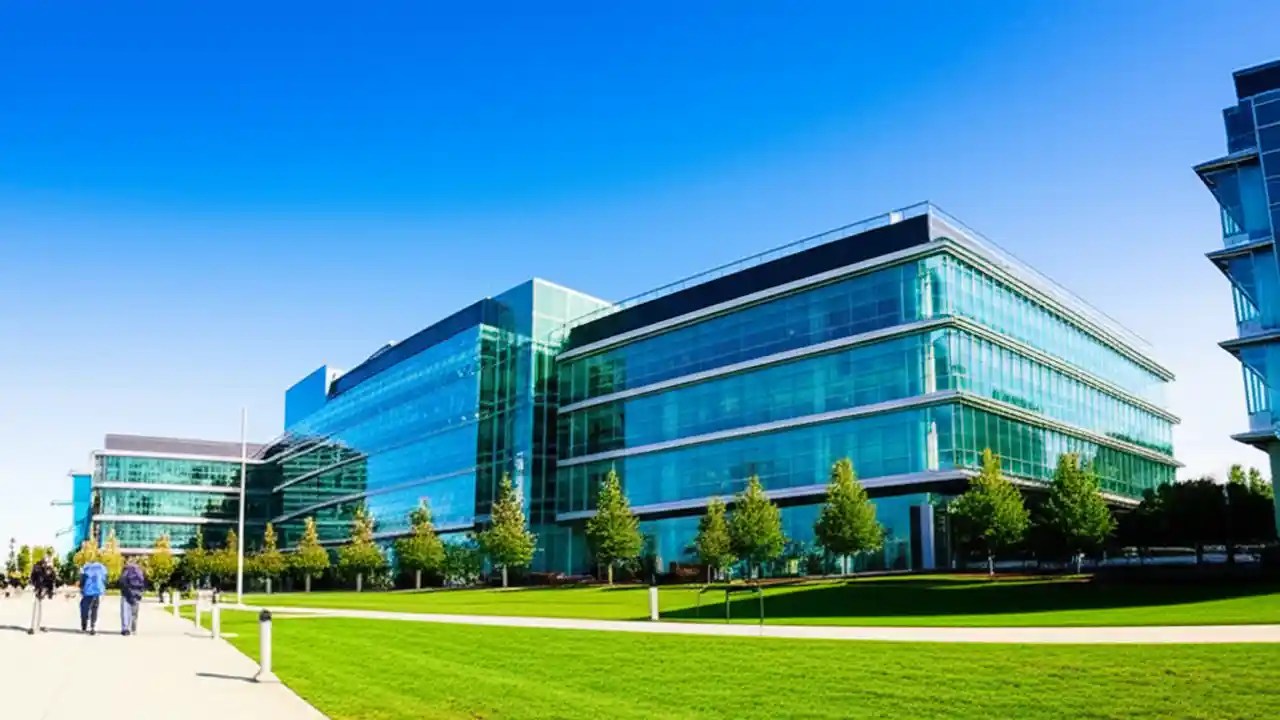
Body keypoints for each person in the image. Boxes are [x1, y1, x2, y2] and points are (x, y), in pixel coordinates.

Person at [79, 558, 108, 635]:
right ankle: (93, 626)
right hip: (97, 591)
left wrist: (81, 588)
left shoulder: (86, 567)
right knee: (95, 608)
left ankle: (84, 625)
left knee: (84, 607)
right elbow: (104, 579)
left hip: (87, 591)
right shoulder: (101, 567)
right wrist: (103, 589)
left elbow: (82, 579)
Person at [28, 555, 56, 634]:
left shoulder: (50, 570)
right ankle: (33, 627)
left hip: (44, 589)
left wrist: (49, 591)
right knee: (37, 606)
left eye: (48, 563)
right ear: (43, 562)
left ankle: (37, 626)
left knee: (40, 606)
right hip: (38, 588)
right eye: (46, 563)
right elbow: (33, 577)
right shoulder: (37, 568)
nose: (47, 565)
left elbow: (52, 581)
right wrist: (36, 586)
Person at [119, 560, 146, 636]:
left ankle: (125, 629)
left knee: (125, 612)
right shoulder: (140, 571)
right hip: (136, 594)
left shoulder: (126, 571)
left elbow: (122, 582)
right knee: (134, 613)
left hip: (126, 594)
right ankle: (133, 629)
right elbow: (144, 583)